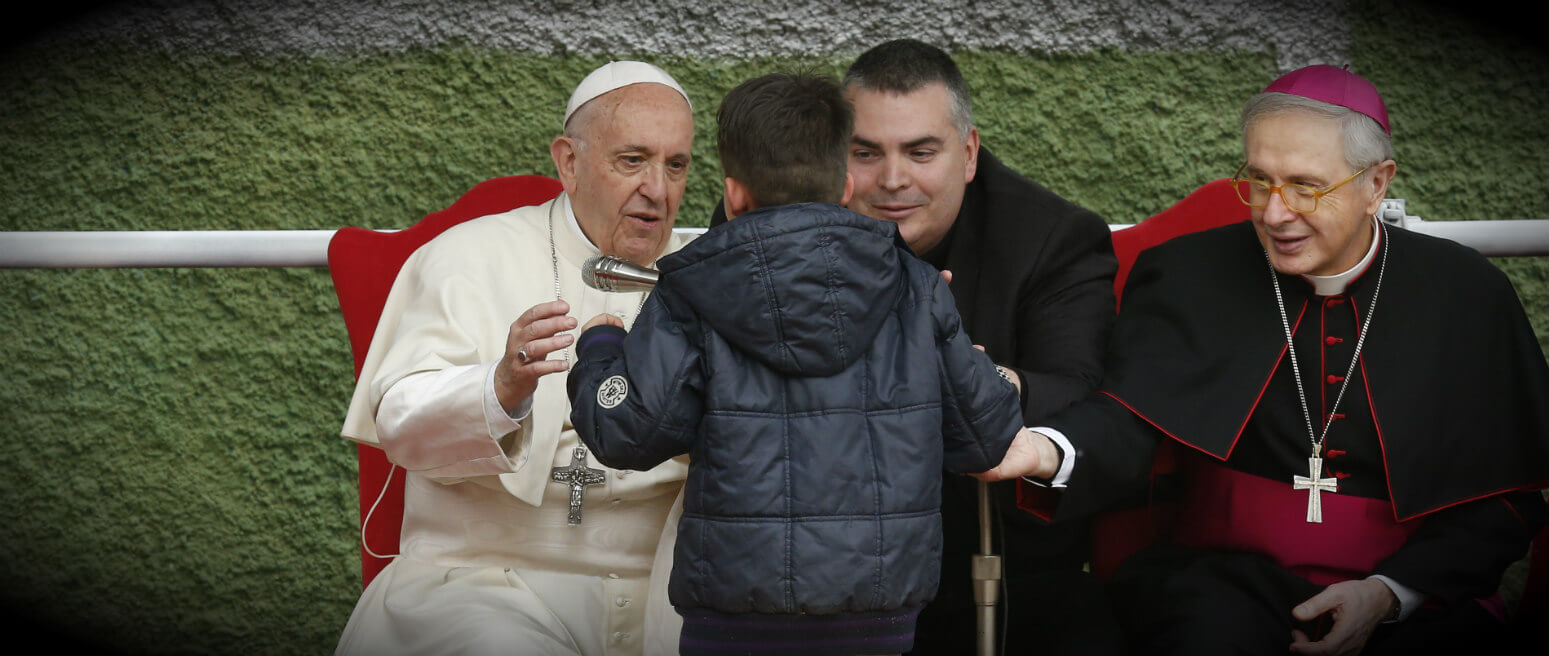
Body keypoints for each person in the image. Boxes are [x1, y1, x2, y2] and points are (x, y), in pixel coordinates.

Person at [980, 65, 1549, 655]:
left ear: (1376, 184)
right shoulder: (1188, 276)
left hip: (1415, 593)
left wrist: (1387, 593)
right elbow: (1129, 422)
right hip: (1222, 586)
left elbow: (1504, 497)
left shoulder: (1466, 294)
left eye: (1306, 187)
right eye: (1258, 181)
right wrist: (1042, 449)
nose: (1274, 213)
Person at [567, 71, 1024, 656]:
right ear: (845, 186)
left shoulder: (692, 287)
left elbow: (628, 432)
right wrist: (978, 373)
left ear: (733, 195)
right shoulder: (914, 285)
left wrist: (601, 351)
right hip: (880, 617)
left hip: (732, 618)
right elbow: (986, 436)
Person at [717, 39, 1122, 654]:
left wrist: (994, 384)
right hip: (809, 566)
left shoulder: (1054, 239)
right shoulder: (781, 205)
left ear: (968, 154)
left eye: (920, 152)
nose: (892, 180)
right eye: (865, 153)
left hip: (993, 565)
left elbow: (1079, 386)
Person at [334, 61, 699, 656]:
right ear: (570, 162)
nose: (657, 190)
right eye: (632, 161)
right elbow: (398, 415)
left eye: (675, 165)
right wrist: (499, 388)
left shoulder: (712, 275)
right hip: (483, 586)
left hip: (668, 592)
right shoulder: (467, 256)